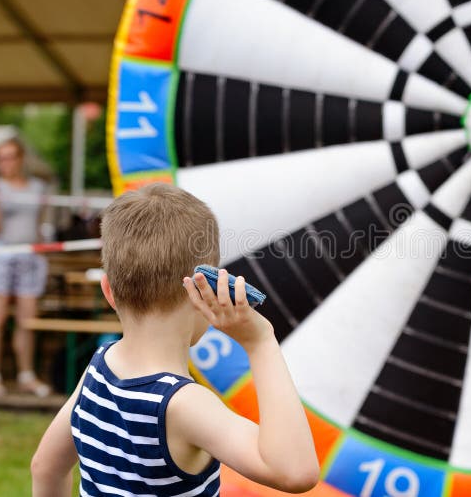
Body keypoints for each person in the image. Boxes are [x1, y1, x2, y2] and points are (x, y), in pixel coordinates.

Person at [31, 184, 320, 496]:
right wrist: (261, 343)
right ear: (203, 294)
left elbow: (45, 467)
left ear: (108, 291)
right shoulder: (184, 405)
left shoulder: (98, 369)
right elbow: (295, 470)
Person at [0, 139, 50, 396]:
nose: (5, 163)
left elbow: (39, 225)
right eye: (1, 158)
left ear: (20, 158)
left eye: (10, 157)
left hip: (29, 256)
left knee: (27, 320)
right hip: (0, 255)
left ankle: (26, 374)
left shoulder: (38, 187)